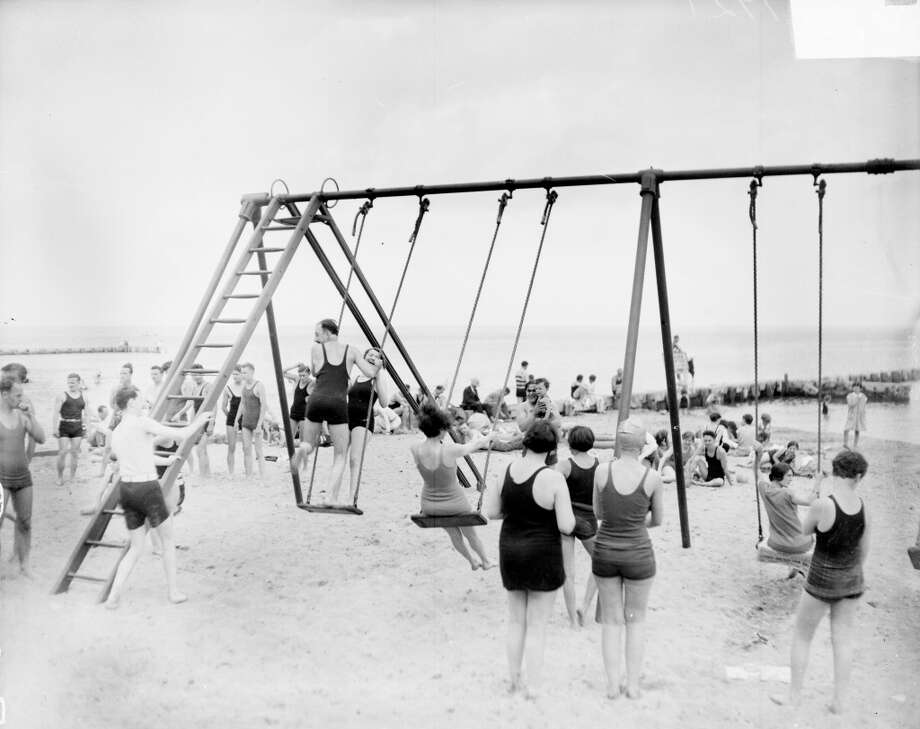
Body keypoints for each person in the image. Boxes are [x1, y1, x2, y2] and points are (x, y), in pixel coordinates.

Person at [772, 450, 870, 714]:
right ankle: (839, 701)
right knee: (844, 641)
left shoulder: (824, 505)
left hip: (821, 580)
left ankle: (794, 697)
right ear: (858, 476)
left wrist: (817, 484)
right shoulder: (863, 507)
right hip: (851, 580)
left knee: (803, 637)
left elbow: (805, 531)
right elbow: (864, 550)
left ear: (835, 471)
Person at [485, 420, 575, 698]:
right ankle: (533, 687)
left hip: (510, 548)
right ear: (551, 450)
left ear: (525, 442)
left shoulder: (505, 471)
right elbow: (566, 526)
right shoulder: (553, 478)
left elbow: (492, 512)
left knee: (515, 622)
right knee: (537, 625)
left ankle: (514, 681)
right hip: (542, 552)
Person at [104, 385, 211, 608]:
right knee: (168, 540)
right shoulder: (142, 422)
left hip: (127, 489)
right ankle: (173, 592)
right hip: (147, 488)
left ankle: (114, 595)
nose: (144, 402)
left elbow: (139, 455)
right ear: (131, 402)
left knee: (136, 547)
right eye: (140, 399)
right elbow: (181, 434)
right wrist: (200, 420)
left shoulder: (117, 431)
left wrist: (165, 462)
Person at [592, 418, 664, 699]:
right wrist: (633, 521)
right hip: (638, 554)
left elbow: (598, 513)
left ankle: (612, 685)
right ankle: (632, 685)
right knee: (636, 620)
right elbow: (656, 520)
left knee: (611, 621)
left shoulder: (601, 472)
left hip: (606, 551)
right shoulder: (652, 478)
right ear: (643, 444)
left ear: (619, 443)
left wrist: (618, 520)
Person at [292, 319, 381, 506]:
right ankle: (329, 498)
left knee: (309, 443)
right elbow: (371, 373)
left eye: (318, 334)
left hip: (316, 400)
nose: (316, 339)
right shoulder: (353, 351)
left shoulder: (315, 350)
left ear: (327, 333)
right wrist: (377, 364)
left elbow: (316, 372)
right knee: (340, 455)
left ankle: (303, 449)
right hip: (337, 403)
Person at [411, 403, 495, 569]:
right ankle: (485, 560)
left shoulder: (415, 448)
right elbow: (474, 446)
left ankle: (472, 561)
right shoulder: (450, 449)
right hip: (456, 504)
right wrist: (488, 437)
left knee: (454, 535)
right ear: (442, 429)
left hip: (430, 506)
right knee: (471, 535)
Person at [0, 375, 46, 576]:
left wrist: (32, 416)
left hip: (23, 478)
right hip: (1, 479)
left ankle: (24, 565)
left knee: (25, 522)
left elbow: (41, 437)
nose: (21, 398)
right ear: (4, 394)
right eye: (17, 395)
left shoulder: (22, 416)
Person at [554, 426, 599, 627]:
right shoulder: (598, 464)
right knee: (600, 562)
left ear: (571, 445)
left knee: (568, 572)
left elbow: (550, 485)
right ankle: (585, 606)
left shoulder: (565, 465)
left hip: (567, 517)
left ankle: (572, 619)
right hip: (588, 519)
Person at [345, 350, 388, 503]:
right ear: (363, 358)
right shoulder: (357, 378)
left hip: (363, 422)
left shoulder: (376, 381)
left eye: (376, 356)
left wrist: (378, 375)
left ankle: (352, 498)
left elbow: (384, 403)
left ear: (380, 362)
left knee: (354, 459)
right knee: (340, 457)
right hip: (348, 420)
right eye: (369, 354)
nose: (372, 357)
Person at [758, 462, 819, 554]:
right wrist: (819, 480)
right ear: (779, 476)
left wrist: (758, 456)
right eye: (789, 476)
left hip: (775, 543)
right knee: (813, 533)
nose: (791, 479)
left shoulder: (763, 488)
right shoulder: (787, 493)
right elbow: (811, 501)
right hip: (798, 545)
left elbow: (757, 472)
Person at [53, 373, 89, 486]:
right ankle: (59, 477)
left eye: (73, 382)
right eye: (69, 382)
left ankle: (72, 477)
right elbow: (55, 413)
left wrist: (86, 429)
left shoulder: (84, 396)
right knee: (62, 453)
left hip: (77, 427)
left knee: (74, 453)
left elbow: (86, 414)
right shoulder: (62, 395)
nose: (70, 384)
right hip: (64, 426)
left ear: (79, 383)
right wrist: (54, 428)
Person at [234, 363, 267, 478]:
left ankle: (263, 476)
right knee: (246, 449)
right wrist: (236, 419)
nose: (243, 375)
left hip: (256, 422)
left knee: (258, 451)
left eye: (245, 373)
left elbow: (264, 406)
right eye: (242, 372)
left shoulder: (259, 385)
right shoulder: (244, 387)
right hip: (246, 422)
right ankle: (249, 476)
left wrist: (259, 425)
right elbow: (242, 404)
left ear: (252, 372)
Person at [220, 366, 243, 475]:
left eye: (237, 374)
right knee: (231, 447)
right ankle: (231, 473)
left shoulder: (247, 387)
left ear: (242, 374)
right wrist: (230, 417)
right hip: (232, 419)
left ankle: (247, 470)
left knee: (246, 447)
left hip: (246, 418)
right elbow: (223, 407)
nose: (234, 376)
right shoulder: (228, 388)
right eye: (233, 374)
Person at [284, 362, 313, 444]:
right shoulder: (297, 379)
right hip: (294, 412)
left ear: (309, 373)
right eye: (300, 375)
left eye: (304, 375)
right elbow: (282, 372)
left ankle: (303, 456)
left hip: (304, 414)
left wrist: (311, 398)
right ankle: (291, 456)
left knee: (303, 441)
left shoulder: (312, 383)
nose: (302, 377)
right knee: (289, 439)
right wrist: (295, 365)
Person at [843, 382, 867, 449]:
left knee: (857, 430)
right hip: (851, 415)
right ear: (853, 388)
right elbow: (850, 404)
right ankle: (845, 443)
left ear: (860, 388)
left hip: (859, 415)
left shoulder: (864, 396)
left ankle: (855, 445)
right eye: (854, 387)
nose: (856, 388)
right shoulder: (849, 396)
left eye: (858, 387)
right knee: (846, 429)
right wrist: (857, 399)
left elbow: (863, 406)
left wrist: (863, 415)